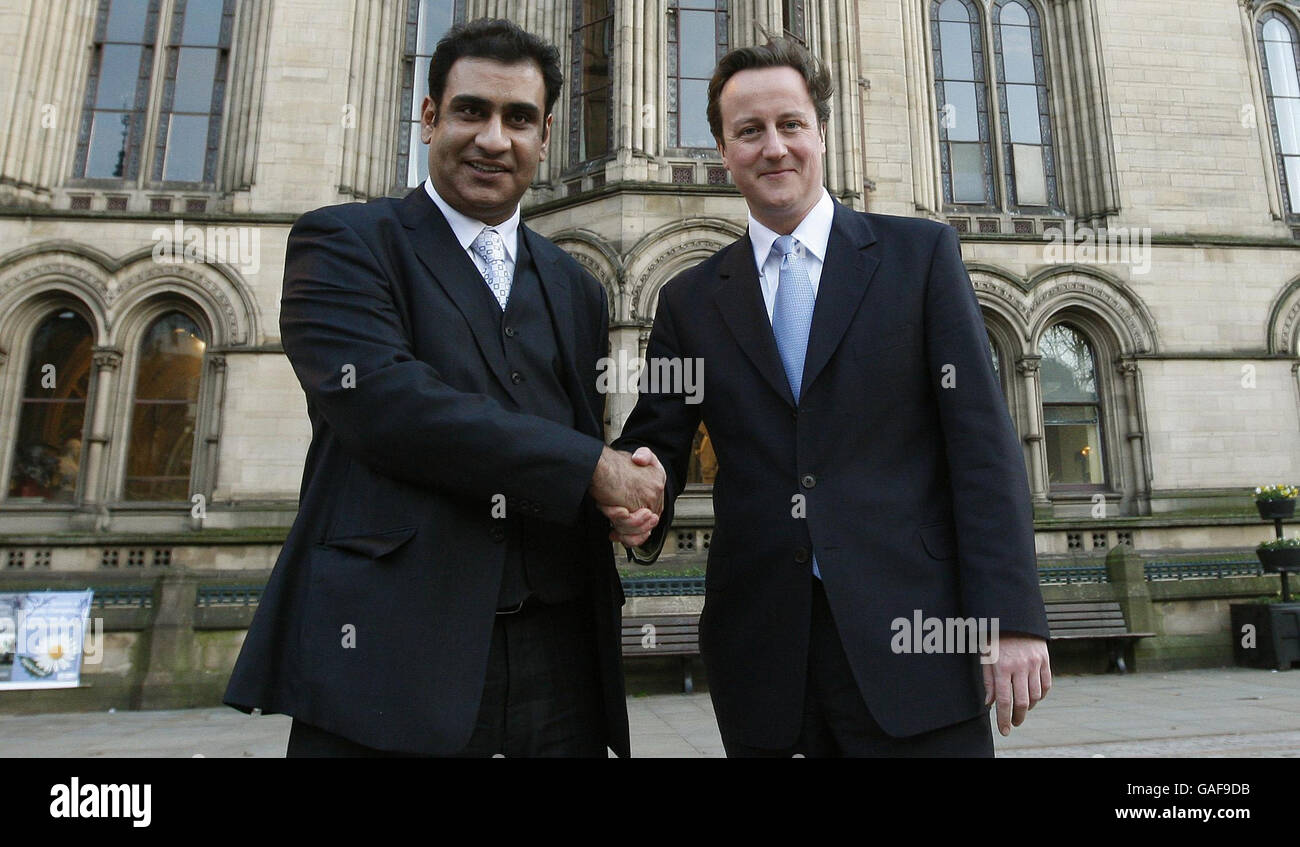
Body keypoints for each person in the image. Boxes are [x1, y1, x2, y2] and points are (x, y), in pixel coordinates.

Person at [224, 18, 663, 758]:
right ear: (429, 117)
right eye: (472, 111)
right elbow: (391, 407)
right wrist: (591, 469)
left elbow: (577, 431)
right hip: (394, 657)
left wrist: (632, 502)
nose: (495, 138)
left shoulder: (575, 285)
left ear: (545, 134)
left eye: (518, 118)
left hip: (561, 663)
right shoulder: (344, 243)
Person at [607, 37, 1051, 757]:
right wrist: (633, 492)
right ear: (724, 151)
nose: (773, 147)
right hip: (765, 657)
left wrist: (1013, 619)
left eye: (790, 124)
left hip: (917, 644)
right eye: (749, 131)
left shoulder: (920, 257)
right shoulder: (689, 297)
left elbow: (983, 447)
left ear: (820, 133)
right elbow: (655, 435)